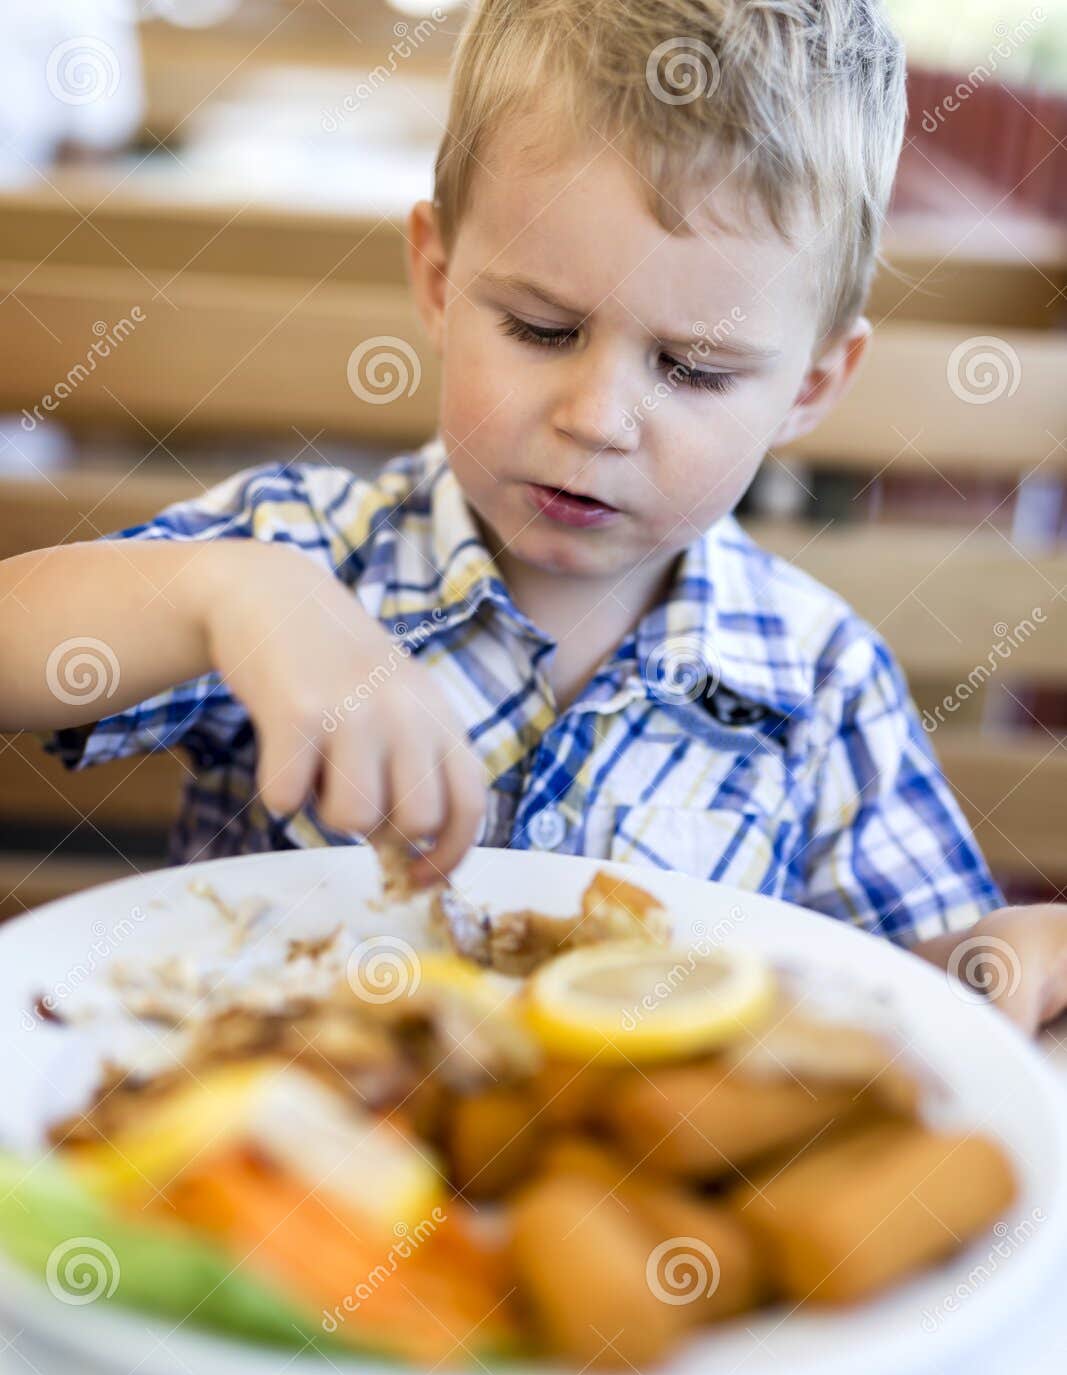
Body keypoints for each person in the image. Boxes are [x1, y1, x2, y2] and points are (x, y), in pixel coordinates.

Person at [2, 0, 1064, 1033]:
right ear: (435, 278)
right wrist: (223, 596)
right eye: (540, 329)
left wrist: (996, 964)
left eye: (691, 370)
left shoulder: (822, 686)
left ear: (809, 387)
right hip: (267, 1171)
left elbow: (911, 1021)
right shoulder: (301, 552)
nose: (596, 419)